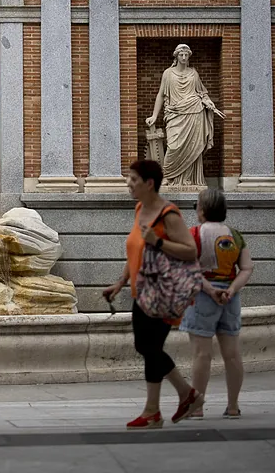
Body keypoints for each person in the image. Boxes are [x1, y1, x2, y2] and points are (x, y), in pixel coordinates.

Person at [101, 159, 205, 429]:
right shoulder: (140, 209)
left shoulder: (168, 214)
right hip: (142, 292)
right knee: (147, 348)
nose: (128, 184)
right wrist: (120, 282)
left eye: (133, 179)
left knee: (148, 347)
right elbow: (136, 249)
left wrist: (158, 241)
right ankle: (165, 406)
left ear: (149, 183)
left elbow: (191, 250)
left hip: (163, 294)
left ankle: (174, 400)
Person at [180, 188, 254, 419]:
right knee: (232, 354)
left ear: (201, 210)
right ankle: (233, 406)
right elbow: (247, 268)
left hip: (202, 296)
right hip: (230, 298)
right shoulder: (235, 235)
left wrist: (210, 290)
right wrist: (230, 289)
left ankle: (198, 406)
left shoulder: (192, 234)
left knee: (202, 355)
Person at [146, 43, 226, 188]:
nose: (183, 57)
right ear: (176, 56)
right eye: (181, 55)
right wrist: (154, 116)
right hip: (174, 114)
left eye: (186, 55)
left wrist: (208, 102)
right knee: (173, 146)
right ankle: (168, 175)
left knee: (193, 147)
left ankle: (190, 179)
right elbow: (160, 95)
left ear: (189, 56)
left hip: (194, 112)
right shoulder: (168, 73)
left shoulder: (193, 73)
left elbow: (201, 93)